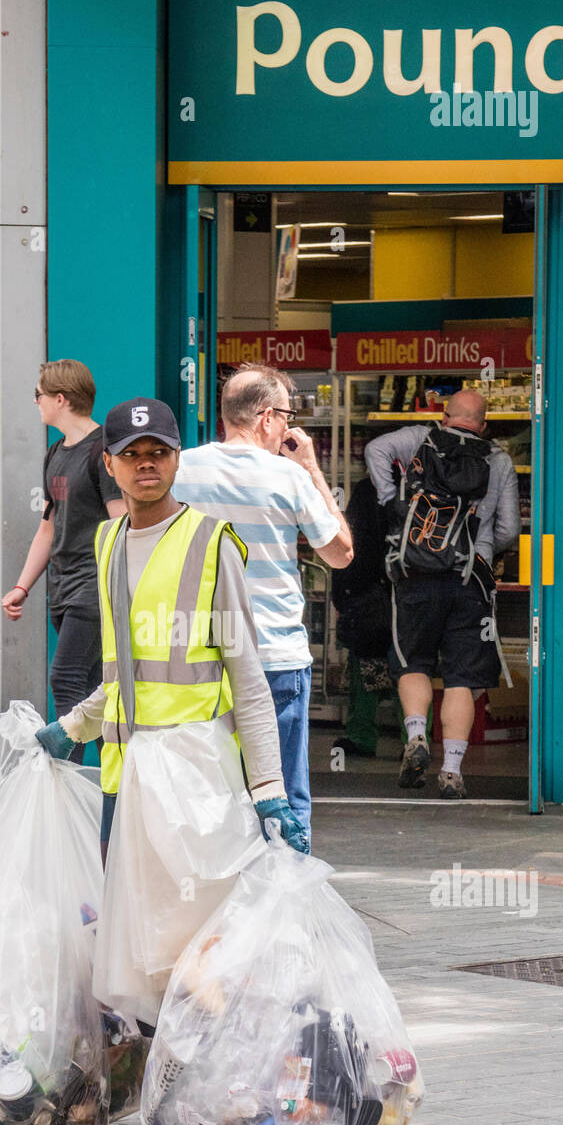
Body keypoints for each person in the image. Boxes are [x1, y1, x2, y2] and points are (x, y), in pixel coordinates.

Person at [36, 396, 306, 1125]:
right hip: (133, 779)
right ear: (111, 465)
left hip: (197, 779)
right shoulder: (109, 539)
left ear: (176, 459)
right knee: (150, 967)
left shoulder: (208, 542)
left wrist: (267, 791)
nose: (146, 462)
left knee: (201, 961)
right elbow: (123, 675)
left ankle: (195, 1119)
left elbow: (247, 680)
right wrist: (75, 728)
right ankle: (174, 1118)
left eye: (159, 450)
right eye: (132, 453)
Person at [172, 364, 353, 849]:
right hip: (273, 657)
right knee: (283, 796)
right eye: (289, 418)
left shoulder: (181, 469)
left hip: (197, 658)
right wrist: (311, 468)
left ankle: (218, 903)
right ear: (269, 418)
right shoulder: (287, 477)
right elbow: (340, 552)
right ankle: (285, 909)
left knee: (207, 792)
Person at [364, 389, 520, 798]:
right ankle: (451, 771)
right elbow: (508, 529)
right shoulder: (498, 459)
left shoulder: (421, 438)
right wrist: (485, 547)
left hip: (415, 573)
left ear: (445, 415)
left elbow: (376, 449)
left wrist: (390, 500)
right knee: (461, 677)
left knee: (412, 662)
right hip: (471, 578)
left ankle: (416, 737)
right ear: (483, 425)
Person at [2, 360, 126, 763]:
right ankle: (110, 792)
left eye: (38, 395)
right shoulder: (55, 452)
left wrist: (120, 585)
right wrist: (22, 587)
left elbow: (120, 522)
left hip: (95, 586)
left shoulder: (102, 450)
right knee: (97, 690)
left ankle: (67, 780)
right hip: (64, 587)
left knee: (66, 676)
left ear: (60, 399)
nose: (35, 403)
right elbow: (48, 528)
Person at [330, 475, 400, 760]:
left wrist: (342, 596)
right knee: (410, 669)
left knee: (364, 671)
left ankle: (362, 736)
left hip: (366, 599)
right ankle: (415, 738)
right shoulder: (415, 486)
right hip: (406, 593)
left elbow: (348, 546)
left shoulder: (364, 491)